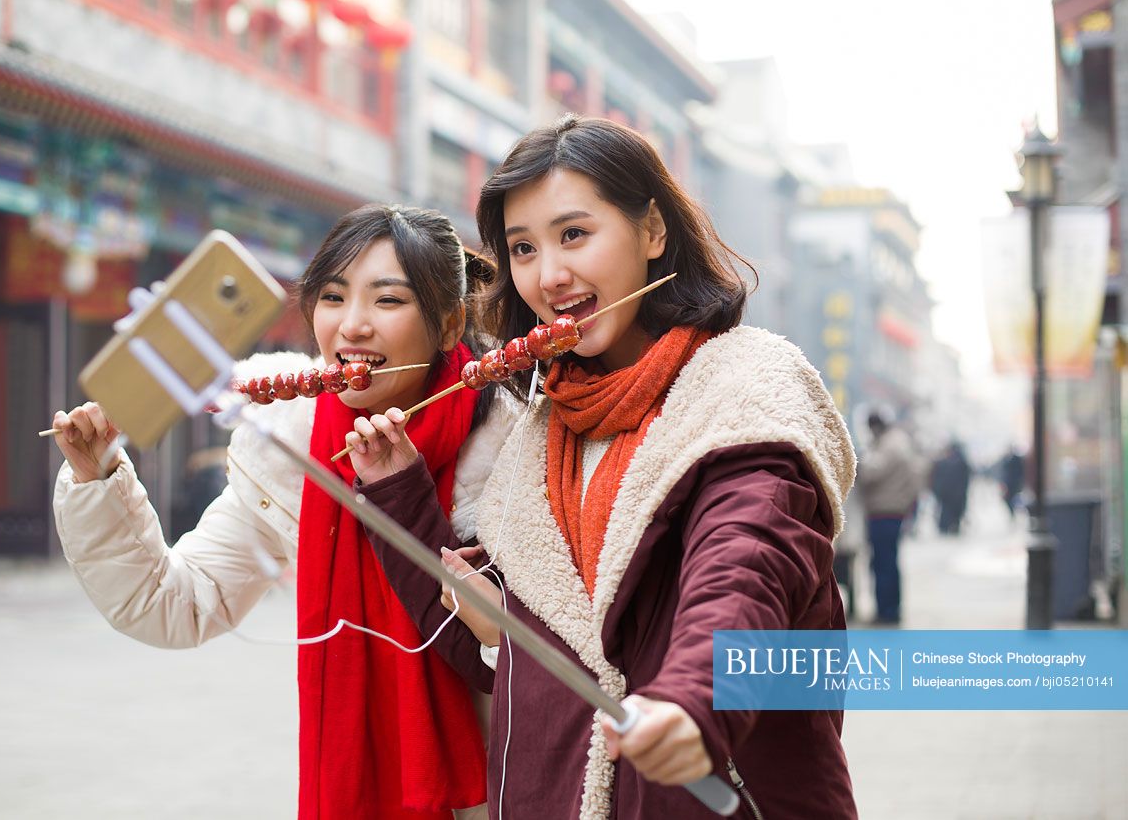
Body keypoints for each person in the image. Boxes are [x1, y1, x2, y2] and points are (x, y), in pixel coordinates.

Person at [345, 115, 859, 819]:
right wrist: (397, 492)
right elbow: (489, 653)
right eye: (522, 248)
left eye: (574, 234)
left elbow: (747, 565)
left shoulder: (743, 390)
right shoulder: (539, 432)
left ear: (652, 231)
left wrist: (693, 699)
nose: (549, 275)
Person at [50, 205, 516, 820]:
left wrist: (403, 495)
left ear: (450, 323)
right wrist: (97, 476)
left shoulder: (513, 449)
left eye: (388, 301)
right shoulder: (287, 444)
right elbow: (176, 604)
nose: (352, 326)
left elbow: (512, 654)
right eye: (332, 296)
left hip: (498, 790)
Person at [856, 411, 923, 624]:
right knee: (888, 562)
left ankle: (886, 611)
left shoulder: (889, 445)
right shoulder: (900, 442)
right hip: (892, 510)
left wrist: (855, 462)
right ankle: (890, 608)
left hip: (884, 511)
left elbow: (870, 473)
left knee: (883, 563)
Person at [929, 440, 971, 536]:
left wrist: (937, 491)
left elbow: (936, 478)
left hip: (947, 493)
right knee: (954, 511)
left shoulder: (942, 463)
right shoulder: (961, 463)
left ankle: (945, 527)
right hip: (955, 493)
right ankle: (953, 526)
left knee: (946, 511)